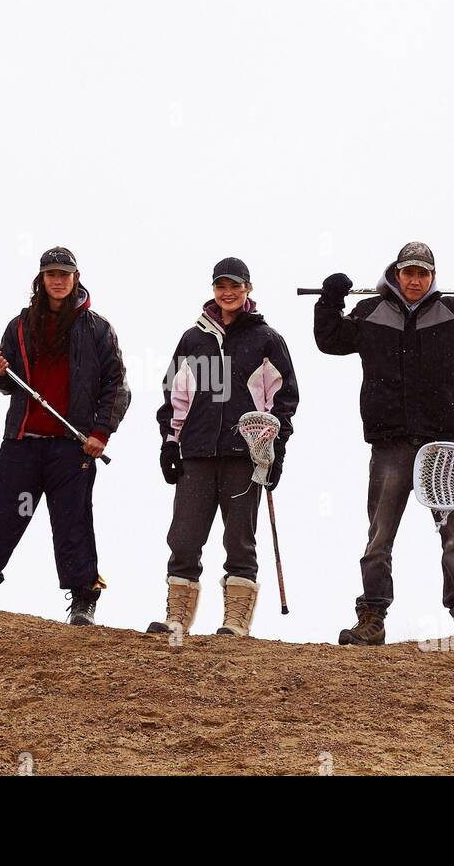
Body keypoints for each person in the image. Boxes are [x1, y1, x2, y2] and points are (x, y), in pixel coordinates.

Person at [314, 241, 454, 647]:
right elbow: (330, 339)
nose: (415, 280)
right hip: (390, 443)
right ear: (396, 273)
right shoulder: (371, 312)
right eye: (408, 272)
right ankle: (372, 619)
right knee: (379, 536)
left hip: (442, 447)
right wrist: (329, 298)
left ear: (432, 277)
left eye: (423, 273)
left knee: (453, 534)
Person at [0, 247, 130, 626]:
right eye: (51, 274)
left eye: (64, 274)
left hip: (73, 445)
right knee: (1, 512)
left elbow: (116, 385)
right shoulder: (19, 325)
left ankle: (84, 600)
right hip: (23, 441)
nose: (58, 280)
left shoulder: (98, 328)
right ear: (41, 278)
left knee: (72, 522)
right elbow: (1, 381)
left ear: (76, 277)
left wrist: (101, 432)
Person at [149, 258, 299, 637]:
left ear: (248, 288)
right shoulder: (192, 339)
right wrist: (170, 444)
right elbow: (175, 395)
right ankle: (177, 620)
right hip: (196, 454)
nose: (227, 292)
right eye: (220, 285)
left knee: (239, 540)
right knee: (184, 537)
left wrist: (274, 452)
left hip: (245, 456)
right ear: (213, 289)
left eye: (234, 285)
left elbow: (283, 402)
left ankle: (235, 622)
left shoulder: (266, 339)